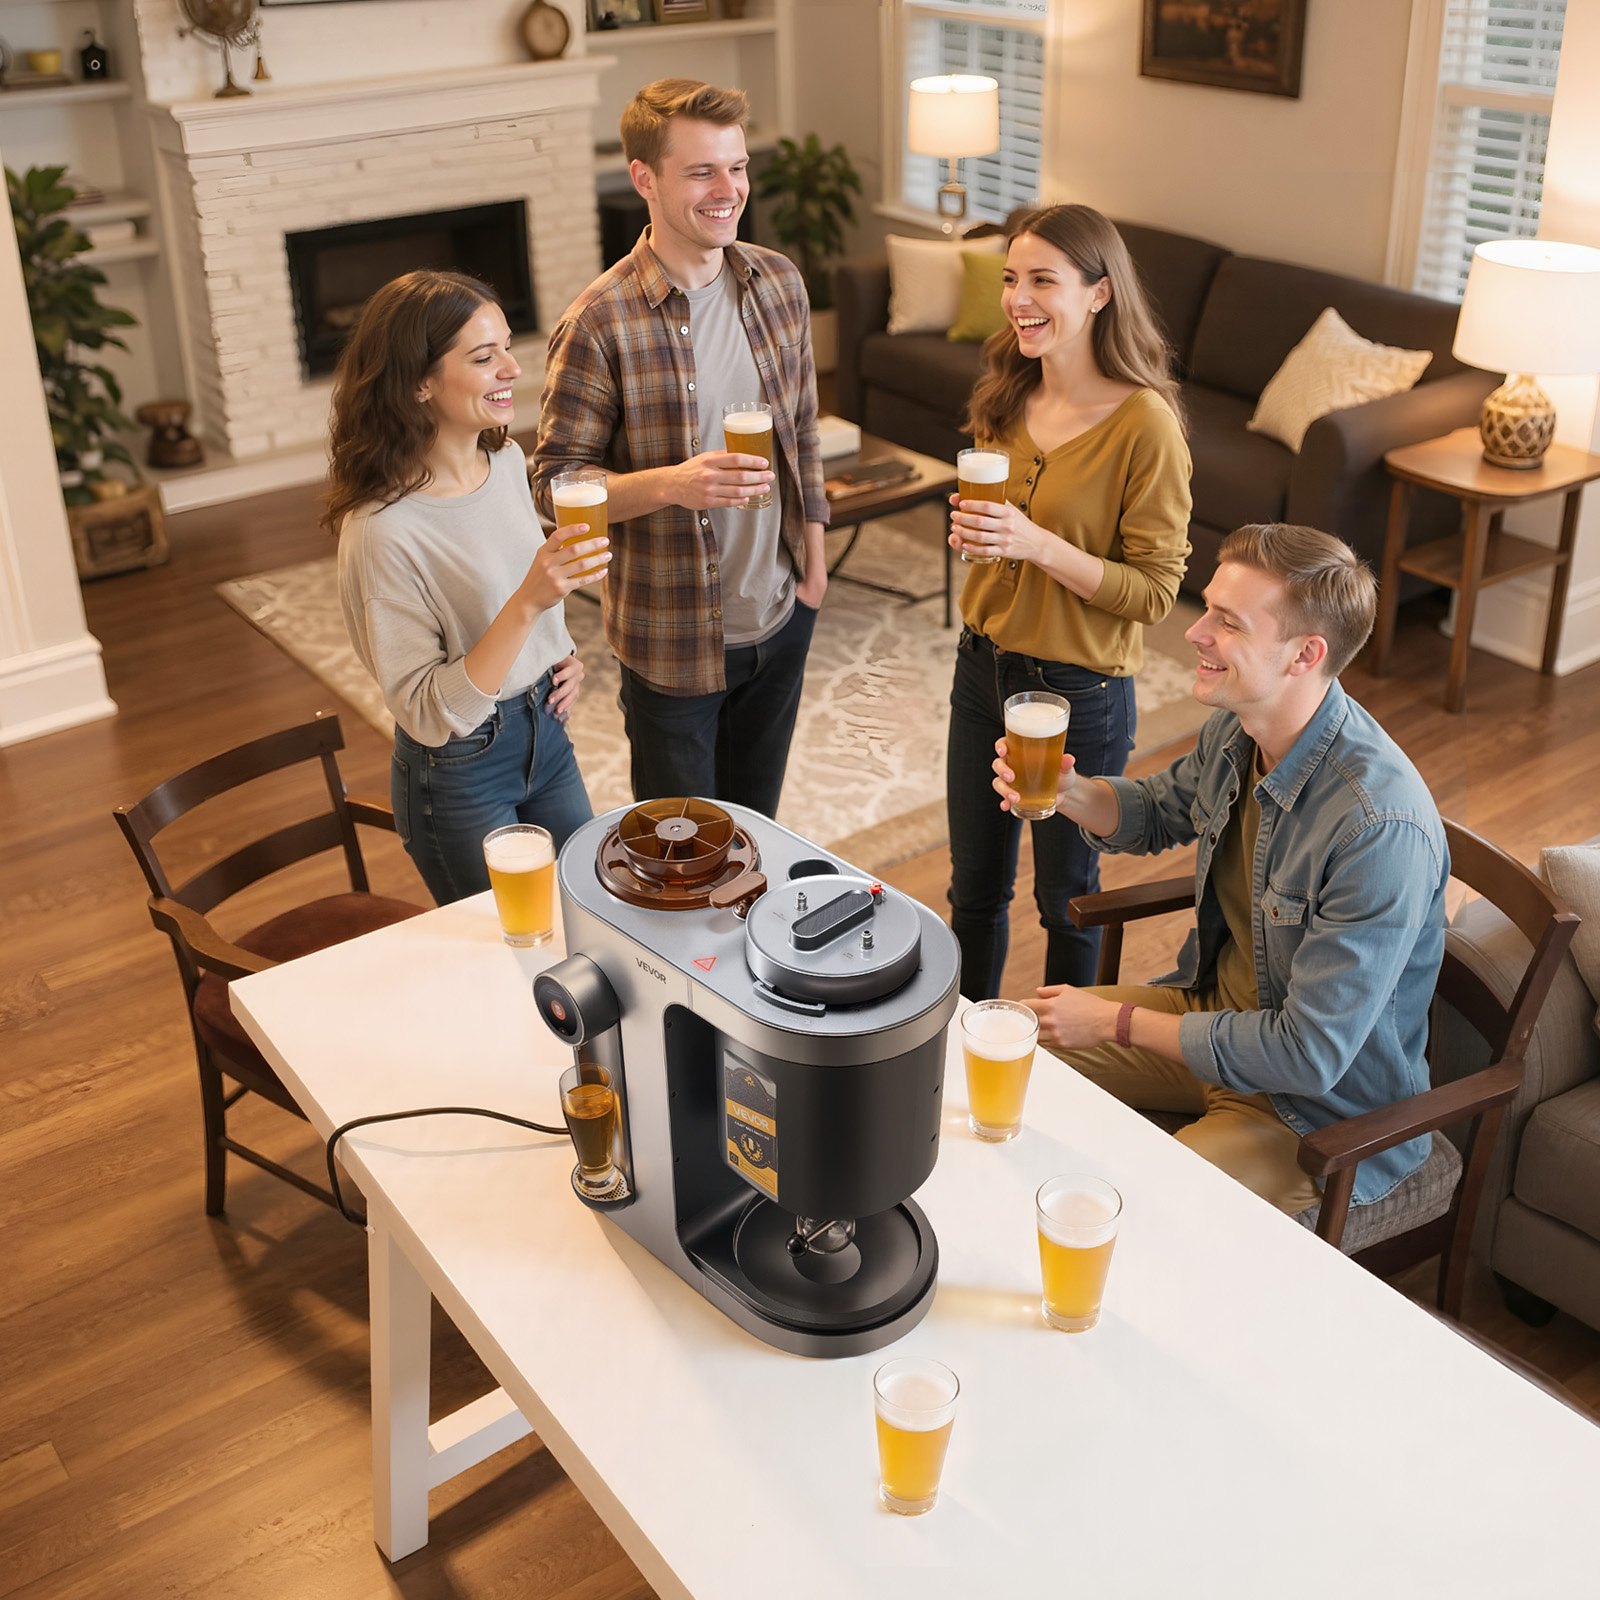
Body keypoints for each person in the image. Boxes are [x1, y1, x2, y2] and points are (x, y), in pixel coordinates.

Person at [993, 523, 1448, 1214]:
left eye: (1227, 622)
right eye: (1207, 608)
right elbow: (1158, 810)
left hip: (1309, 1108)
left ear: (1304, 654)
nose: (1194, 632)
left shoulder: (1379, 828)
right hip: (1211, 1015)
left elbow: (1308, 1054)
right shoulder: (1240, 727)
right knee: (1004, 1046)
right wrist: (1074, 794)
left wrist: (1114, 1022)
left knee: (1138, 1205)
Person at [532, 78, 829, 817]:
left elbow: (804, 431)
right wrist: (672, 484)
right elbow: (552, 484)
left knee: (758, 831)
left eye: (737, 167)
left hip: (782, 614)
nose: (728, 190)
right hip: (672, 641)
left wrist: (814, 574)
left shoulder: (780, 284)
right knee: (681, 853)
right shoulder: (599, 322)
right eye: (702, 171)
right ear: (645, 178)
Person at [947, 203, 1192, 1001]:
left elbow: (1156, 594)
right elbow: (1003, 543)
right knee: (974, 893)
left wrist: (1034, 544)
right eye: (1011, 278)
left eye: (1042, 280)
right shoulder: (1009, 395)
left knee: (1066, 902)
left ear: (1098, 294)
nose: (1018, 297)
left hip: (1076, 696)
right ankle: (963, 1037)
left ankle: (1061, 1070)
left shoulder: (1145, 427)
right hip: (981, 671)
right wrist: (983, 544)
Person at [329, 269, 609, 905]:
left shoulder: (506, 462)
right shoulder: (383, 530)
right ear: (419, 383)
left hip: (546, 731)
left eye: (507, 346)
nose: (512, 368)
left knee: (592, 912)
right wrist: (530, 603)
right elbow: (428, 712)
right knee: (513, 952)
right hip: (460, 768)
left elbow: (509, 596)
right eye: (484, 357)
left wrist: (555, 651)